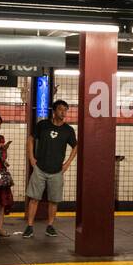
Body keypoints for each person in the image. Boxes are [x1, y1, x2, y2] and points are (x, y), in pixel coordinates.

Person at [24, 99, 78, 238]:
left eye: (65, 110)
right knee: (34, 198)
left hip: (57, 171)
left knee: (54, 200)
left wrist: (67, 164)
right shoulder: (43, 125)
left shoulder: (68, 130)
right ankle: (29, 226)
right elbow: (30, 139)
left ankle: (50, 226)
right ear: (54, 111)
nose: (63, 112)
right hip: (40, 168)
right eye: (61, 109)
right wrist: (31, 158)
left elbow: (76, 146)